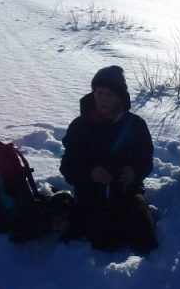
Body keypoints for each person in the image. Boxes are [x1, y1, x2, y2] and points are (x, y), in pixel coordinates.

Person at [60, 66, 157, 254]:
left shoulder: (135, 124)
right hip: (91, 191)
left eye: (109, 95)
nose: (102, 99)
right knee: (97, 236)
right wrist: (90, 174)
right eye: (99, 93)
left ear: (120, 97)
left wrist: (134, 171)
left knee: (142, 233)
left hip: (126, 191)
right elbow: (68, 167)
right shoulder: (80, 126)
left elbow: (145, 159)